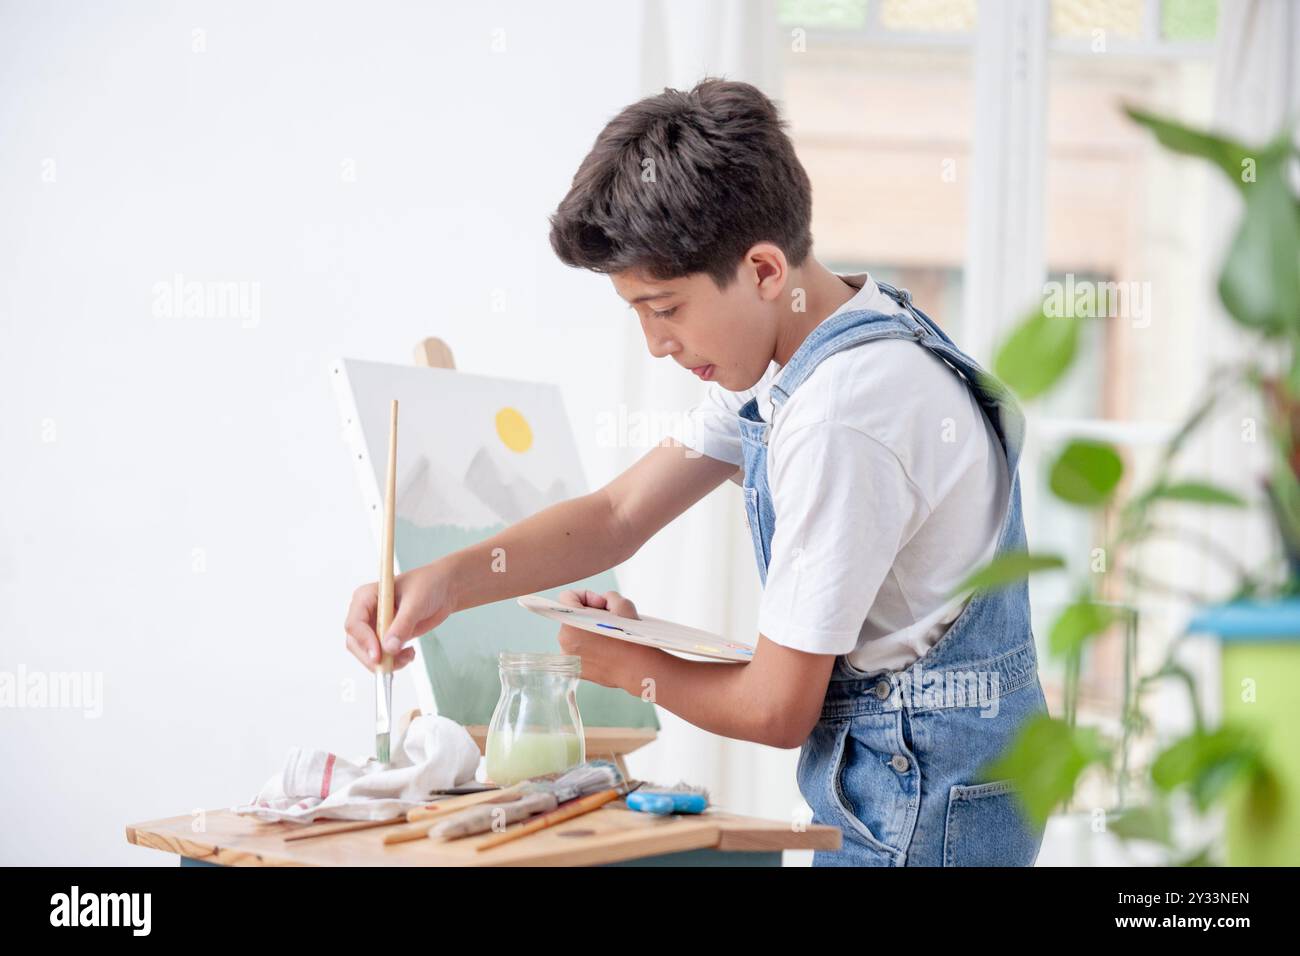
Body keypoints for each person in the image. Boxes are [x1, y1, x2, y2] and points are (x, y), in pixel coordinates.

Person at [344, 77, 1048, 866]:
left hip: (919, 810)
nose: (655, 344)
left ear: (765, 271)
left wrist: (629, 666)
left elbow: (779, 709)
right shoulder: (807, 350)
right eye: (636, 313)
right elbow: (618, 515)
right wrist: (447, 580)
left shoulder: (840, 413)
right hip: (928, 790)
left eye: (667, 308)